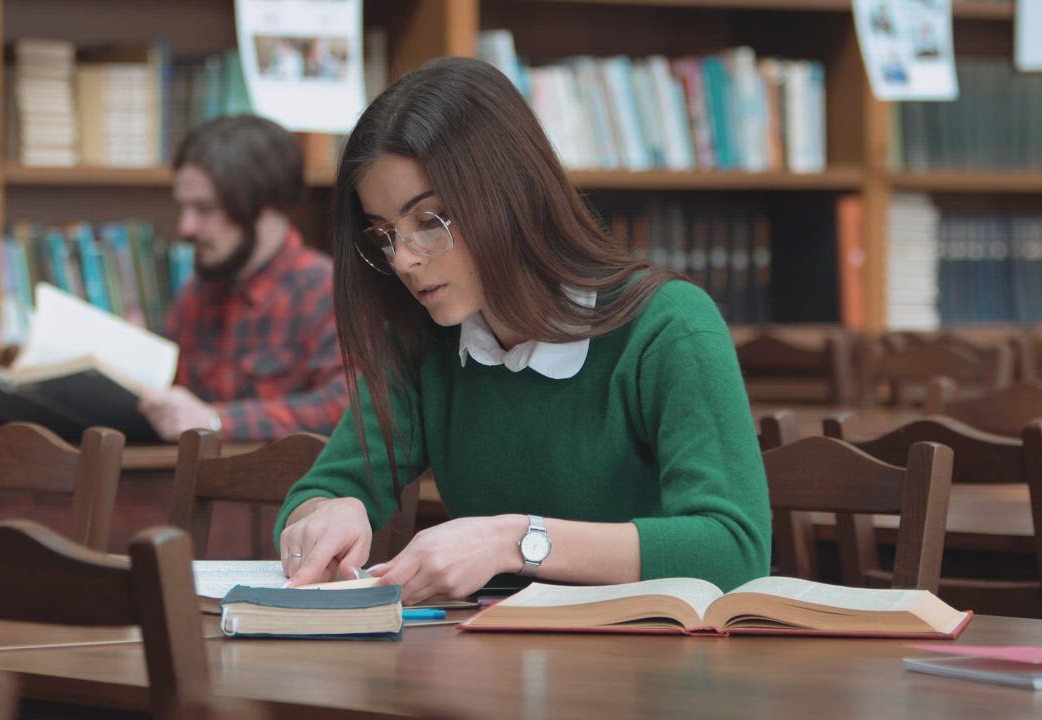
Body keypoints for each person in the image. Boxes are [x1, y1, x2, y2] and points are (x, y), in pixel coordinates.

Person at [274, 58, 771, 606]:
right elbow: (321, 490)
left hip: (654, 664)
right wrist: (326, 514)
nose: (404, 261)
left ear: (508, 193)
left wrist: (515, 541)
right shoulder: (420, 340)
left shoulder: (669, 327)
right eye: (385, 235)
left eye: (431, 222)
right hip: (496, 663)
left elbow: (734, 551)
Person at [138, 115, 348, 442]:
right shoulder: (195, 295)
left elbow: (348, 409)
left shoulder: (328, 292)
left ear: (264, 207)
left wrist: (217, 421)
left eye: (205, 209)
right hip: (193, 486)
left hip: (290, 491)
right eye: (184, 207)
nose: (186, 227)